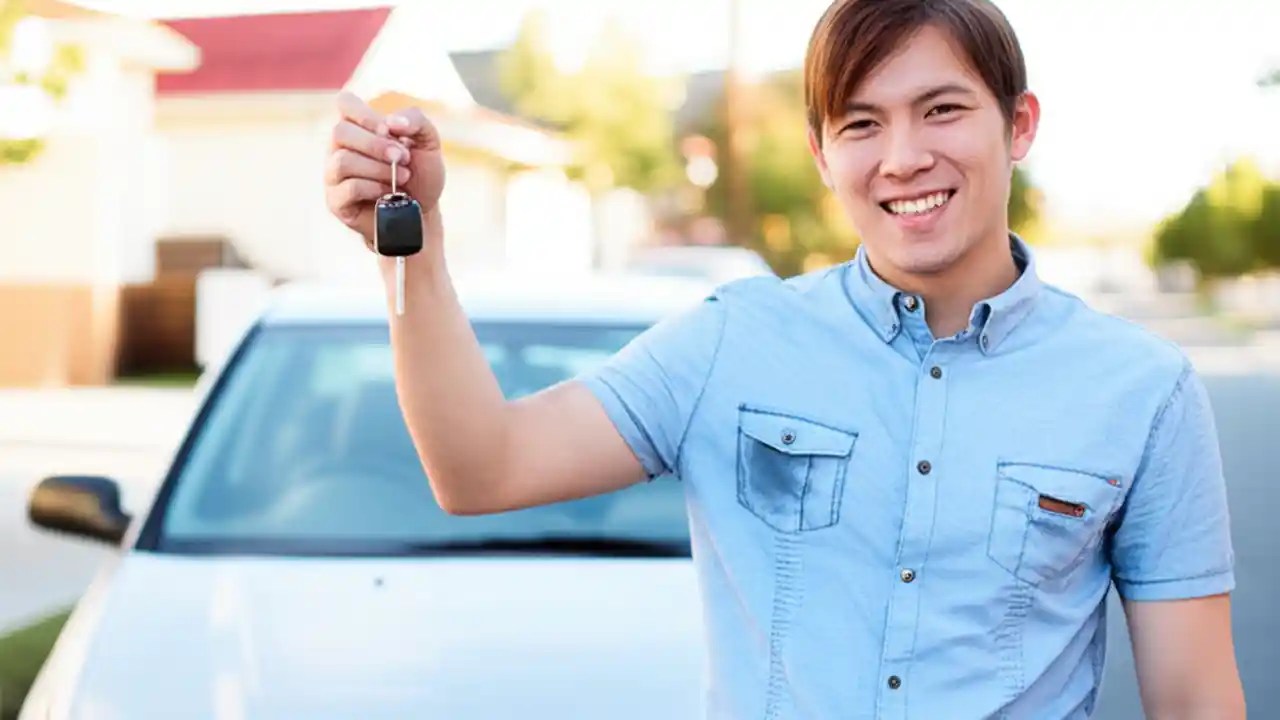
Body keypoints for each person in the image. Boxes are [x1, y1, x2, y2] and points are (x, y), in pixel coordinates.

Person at [323, 0, 1245, 716]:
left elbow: (1197, 702)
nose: (904, 157)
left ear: (1020, 125)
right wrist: (414, 244)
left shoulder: (1143, 391)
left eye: (942, 110)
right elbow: (482, 468)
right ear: (820, 151)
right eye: (861, 124)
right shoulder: (732, 338)